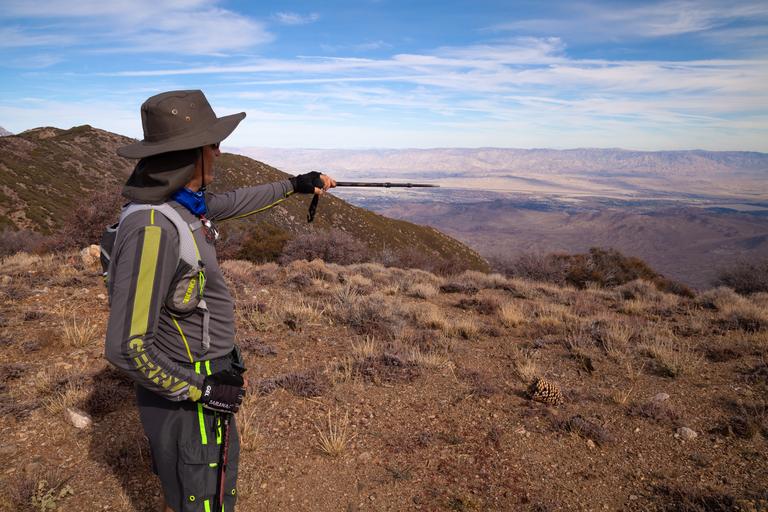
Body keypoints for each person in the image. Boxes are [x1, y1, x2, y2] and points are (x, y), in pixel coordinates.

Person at [105, 89, 335, 512]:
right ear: (190, 153)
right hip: (190, 384)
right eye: (213, 144)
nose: (219, 153)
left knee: (206, 484)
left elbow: (233, 202)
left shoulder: (182, 205)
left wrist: (295, 185)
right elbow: (126, 347)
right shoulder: (153, 227)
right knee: (203, 497)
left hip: (206, 375)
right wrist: (203, 390)